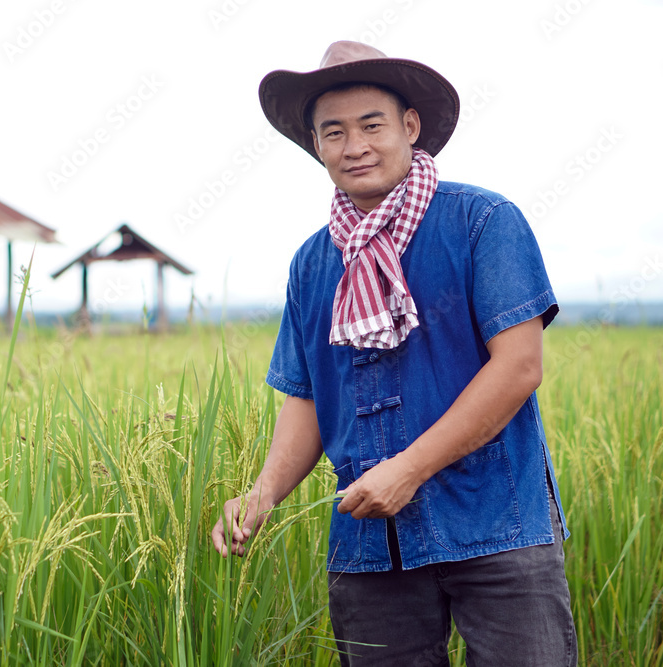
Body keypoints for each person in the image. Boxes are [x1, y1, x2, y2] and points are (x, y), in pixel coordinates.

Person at [210, 41, 577, 666]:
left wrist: (408, 468)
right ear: (316, 146)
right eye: (334, 132)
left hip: (496, 524)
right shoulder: (313, 263)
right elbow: (307, 401)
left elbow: (518, 368)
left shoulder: (483, 222)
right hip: (370, 545)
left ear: (410, 127)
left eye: (371, 125)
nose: (354, 146)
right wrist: (262, 494)